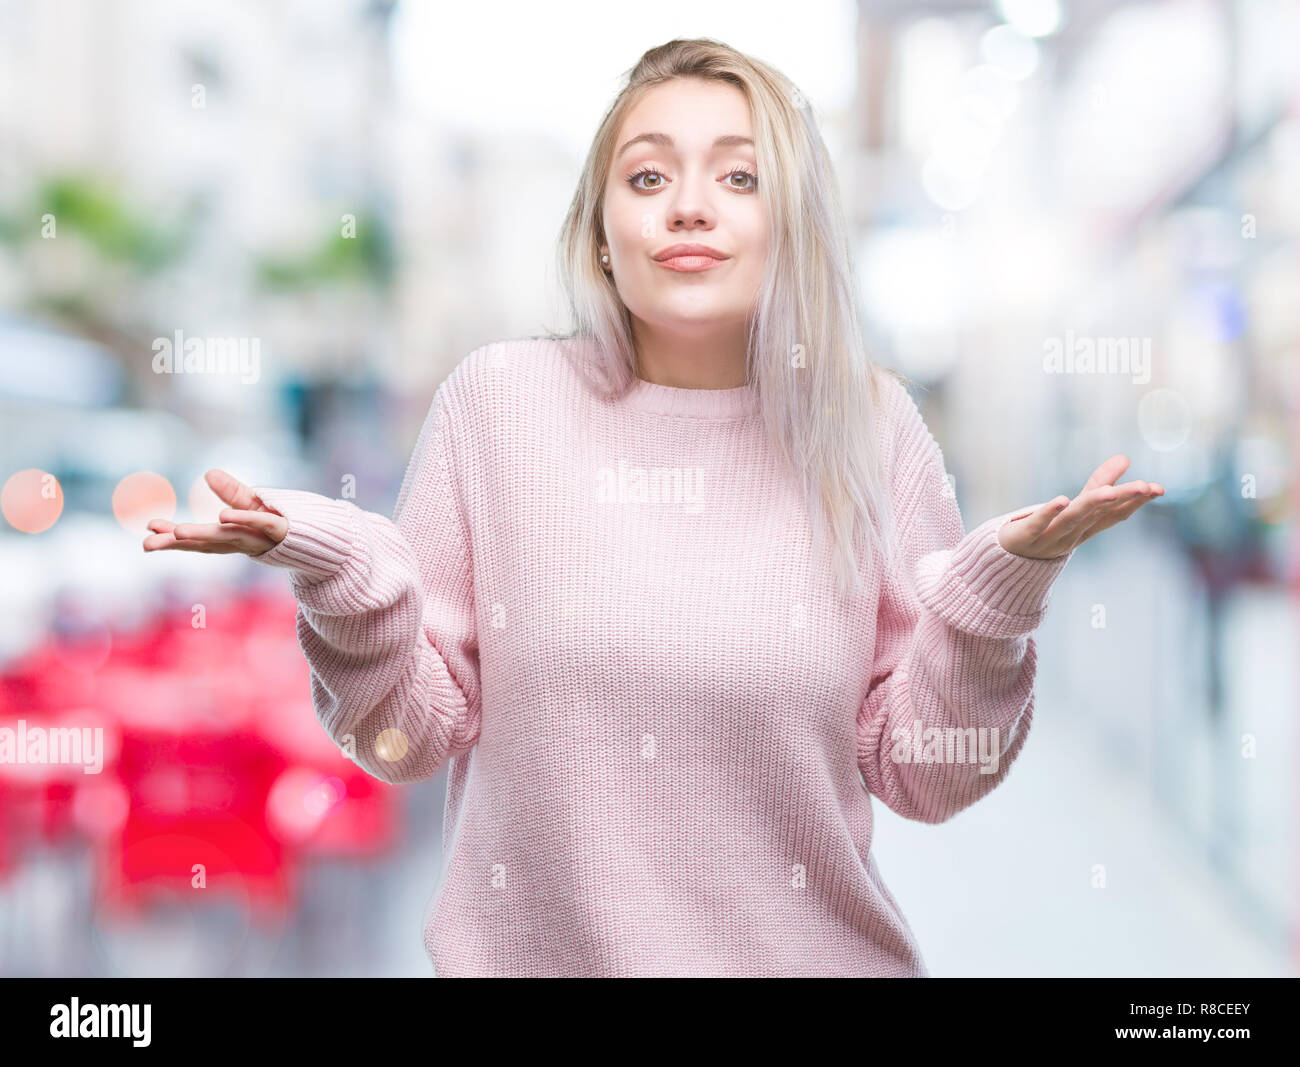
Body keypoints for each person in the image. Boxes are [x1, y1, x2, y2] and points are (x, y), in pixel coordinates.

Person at [143, 38, 1163, 977]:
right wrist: (348, 575)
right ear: (599, 233)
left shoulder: (871, 426)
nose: (688, 205)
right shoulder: (496, 407)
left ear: (792, 222)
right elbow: (406, 737)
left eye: (738, 174)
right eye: (646, 176)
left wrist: (997, 600)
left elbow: (926, 774)